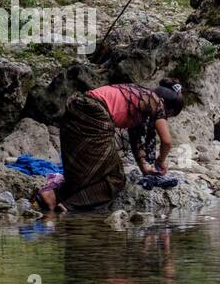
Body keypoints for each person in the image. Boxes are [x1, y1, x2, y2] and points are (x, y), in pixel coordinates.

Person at [38, 79, 184, 212]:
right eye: (168, 115)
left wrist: (145, 168)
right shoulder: (157, 102)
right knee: (116, 178)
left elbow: (136, 142)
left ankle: (50, 196)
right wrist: (160, 161)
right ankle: (67, 206)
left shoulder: (139, 98)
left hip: (75, 108)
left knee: (83, 174)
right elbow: (167, 142)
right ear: (166, 106)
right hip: (95, 115)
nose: (165, 118)